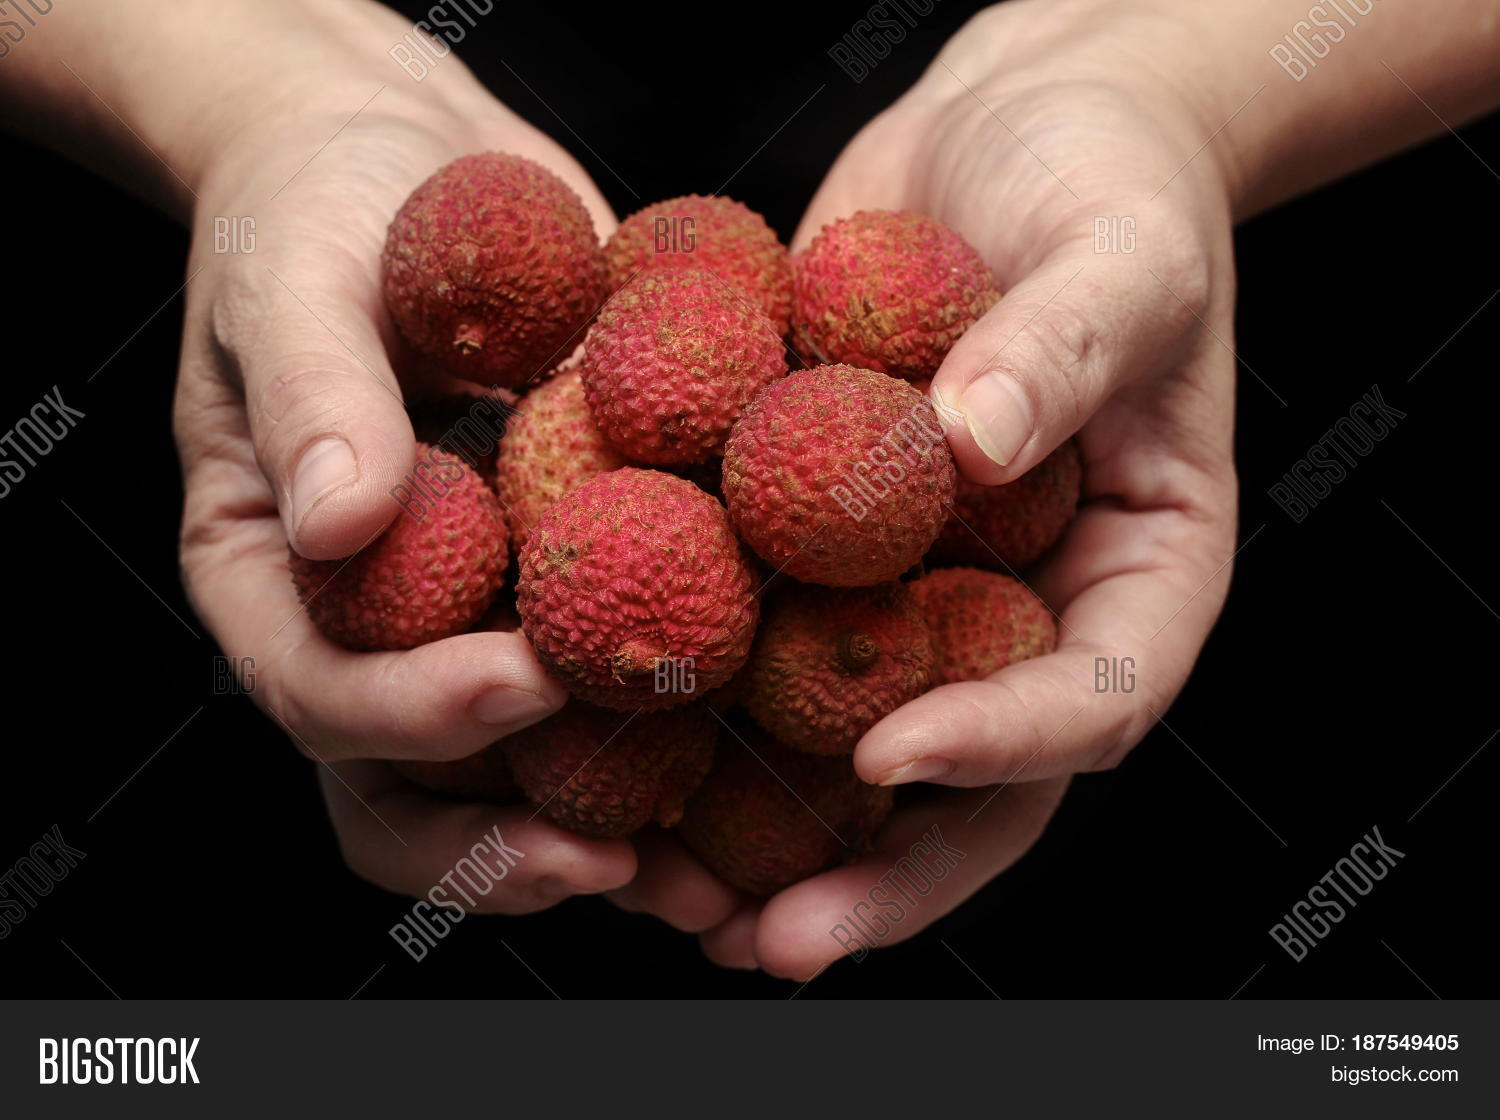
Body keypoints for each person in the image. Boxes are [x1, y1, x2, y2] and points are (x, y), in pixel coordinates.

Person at [4, 0, 1495, 980]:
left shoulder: (927, 507)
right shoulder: (554, 436)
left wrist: (1175, 92)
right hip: (321, 403)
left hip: (1168, 397)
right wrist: (255, 103)